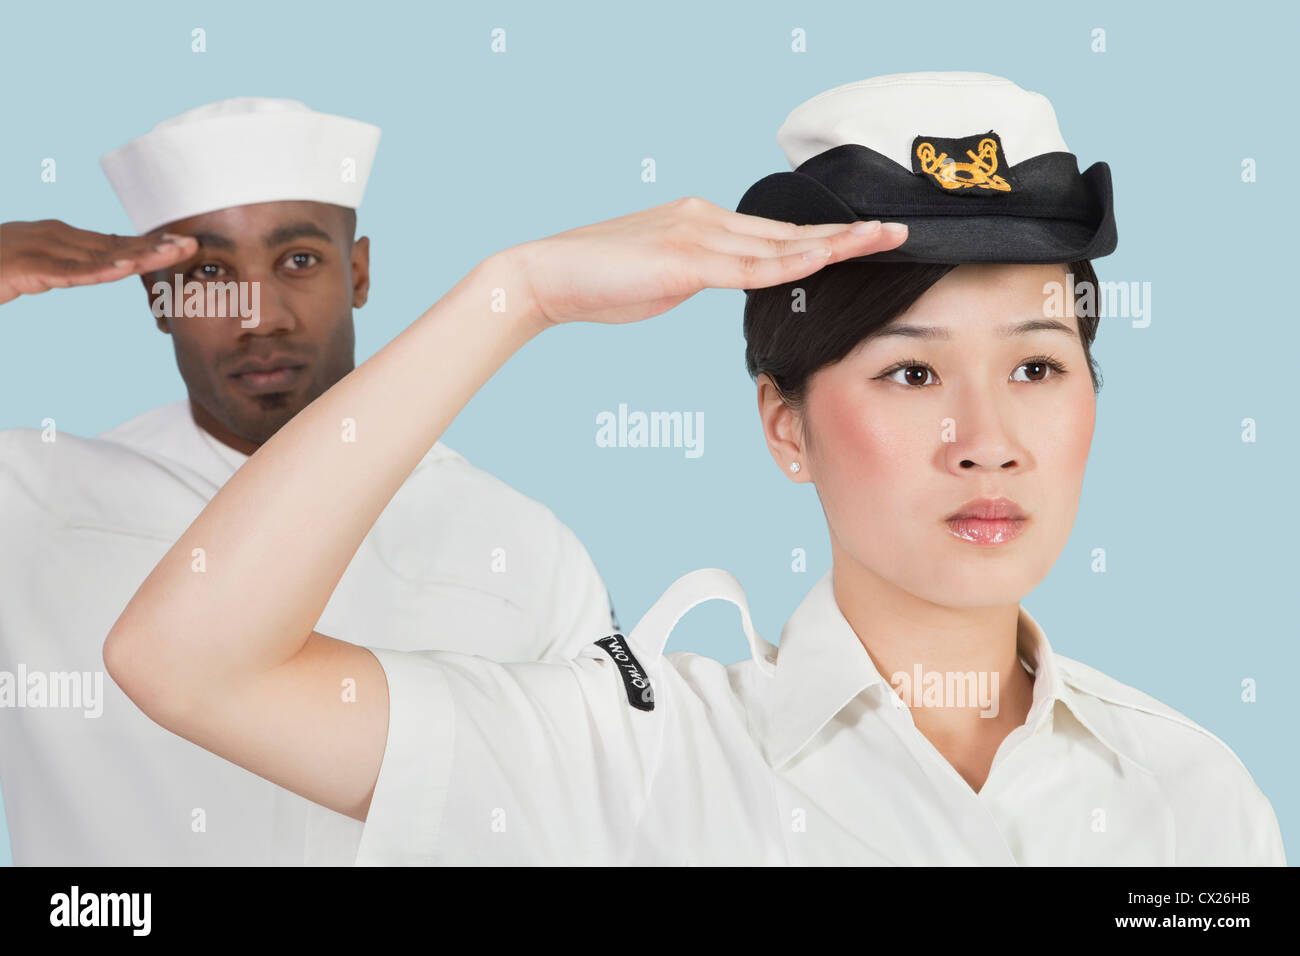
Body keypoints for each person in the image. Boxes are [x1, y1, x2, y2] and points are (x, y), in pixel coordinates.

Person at [101, 73, 1286, 865]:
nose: (987, 436)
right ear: (785, 425)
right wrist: (518, 294)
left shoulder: (1191, 794)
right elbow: (189, 664)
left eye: (1036, 366)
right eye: (910, 374)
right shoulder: (628, 755)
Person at [0, 97, 615, 866]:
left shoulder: (521, 545)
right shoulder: (28, 502)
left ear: (357, 271)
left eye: (298, 261)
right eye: (210, 274)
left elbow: (608, 808)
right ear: (158, 300)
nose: (259, 317)